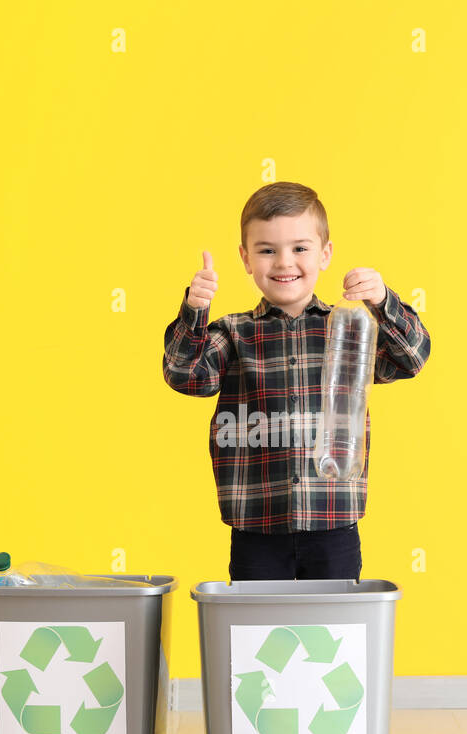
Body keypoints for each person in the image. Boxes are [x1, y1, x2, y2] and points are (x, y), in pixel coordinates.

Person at [162, 181, 431, 580]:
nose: (284, 262)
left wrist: (382, 300)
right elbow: (185, 376)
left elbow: (411, 358)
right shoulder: (233, 333)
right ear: (246, 258)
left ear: (325, 255)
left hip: (334, 522)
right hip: (256, 525)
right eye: (267, 250)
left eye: (299, 248)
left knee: (334, 636)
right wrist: (194, 310)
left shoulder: (350, 329)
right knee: (257, 634)